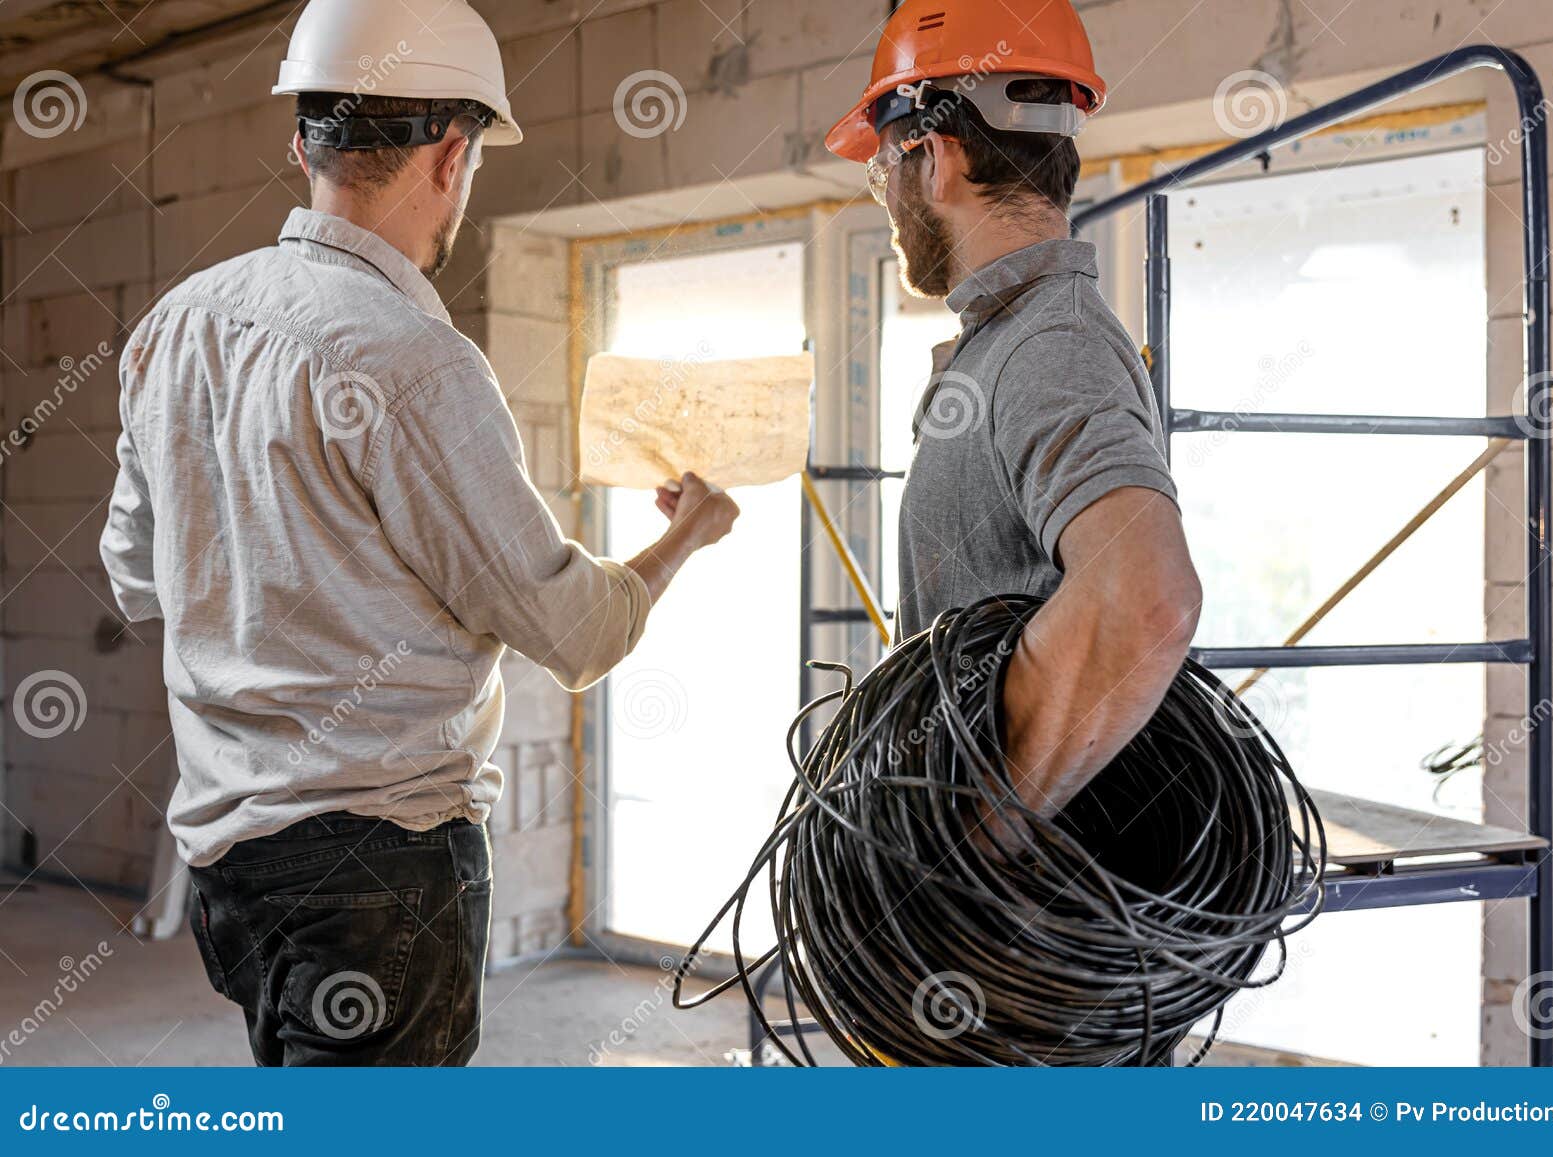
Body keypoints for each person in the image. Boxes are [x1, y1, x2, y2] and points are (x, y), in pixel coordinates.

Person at [99, 0, 737, 1066]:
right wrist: (685, 540)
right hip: (379, 871)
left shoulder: (176, 325)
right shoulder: (416, 361)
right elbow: (576, 633)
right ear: (452, 152)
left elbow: (137, 576)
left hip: (228, 865)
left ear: (302, 140)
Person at [826, 0, 1202, 824]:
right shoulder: (1013, 336)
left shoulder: (1047, 344)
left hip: (1026, 921)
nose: (885, 199)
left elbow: (1149, 598)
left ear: (940, 157)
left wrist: (978, 838)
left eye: (884, 166)